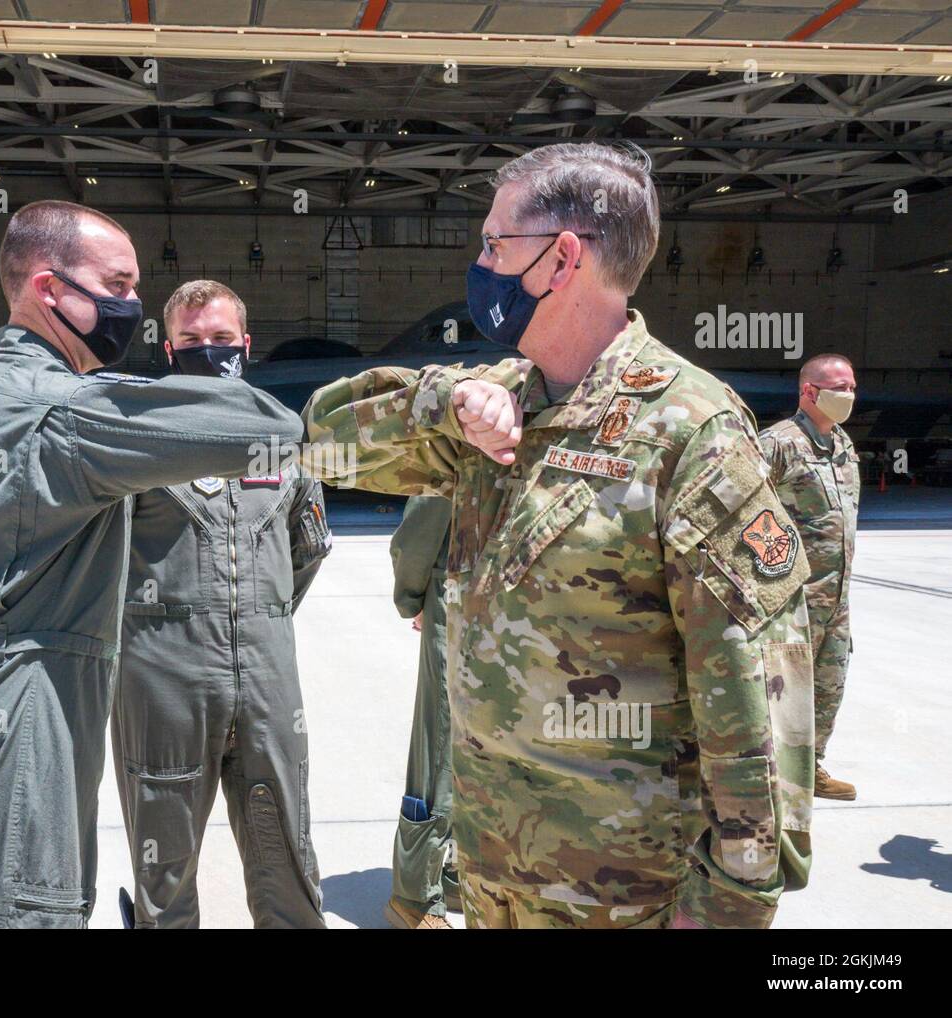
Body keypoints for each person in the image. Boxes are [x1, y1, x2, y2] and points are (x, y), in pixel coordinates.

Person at [302, 142, 815, 929]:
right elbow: (325, 441)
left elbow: (757, 688)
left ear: (561, 258)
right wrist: (445, 402)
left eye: (493, 244)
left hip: (624, 893)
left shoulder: (690, 432)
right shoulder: (500, 400)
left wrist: (733, 902)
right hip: (494, 873)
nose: (480, 264)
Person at [0, 202, 301, 928]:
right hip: (23, 739)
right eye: (119, 287)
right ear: (50, 290)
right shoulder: (59, 409)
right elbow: (270, 430)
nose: (133, 309)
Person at [111, 280, 330, 929]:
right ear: (169, 347)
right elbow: (101, 556)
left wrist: (258, 616)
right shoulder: (136, 437)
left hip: (267, 675)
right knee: (163, 862)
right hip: (163, 679)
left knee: (286, 847)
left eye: (222, 340)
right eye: (193, 341)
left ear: (246, 344)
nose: (209, 351)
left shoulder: (284, 437)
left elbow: (306, 550)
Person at [759, 354, 861, 801]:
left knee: (828, 688)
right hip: (792, 599)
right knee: (780, 693)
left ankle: (810, 768)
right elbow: (746, 515)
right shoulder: (778, 444)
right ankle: (766, 778)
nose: (850, 395)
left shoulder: (843, 445)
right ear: (809, 392)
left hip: (835, 600)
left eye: (853, 387)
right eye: (840, 387)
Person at [385, 495, 459, 930]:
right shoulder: (463, 428)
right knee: (441, 747)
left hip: (528, 604)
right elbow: (427, 511)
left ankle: (458, 874)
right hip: (461, 587)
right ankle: (415, 895)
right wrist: (413, 597)